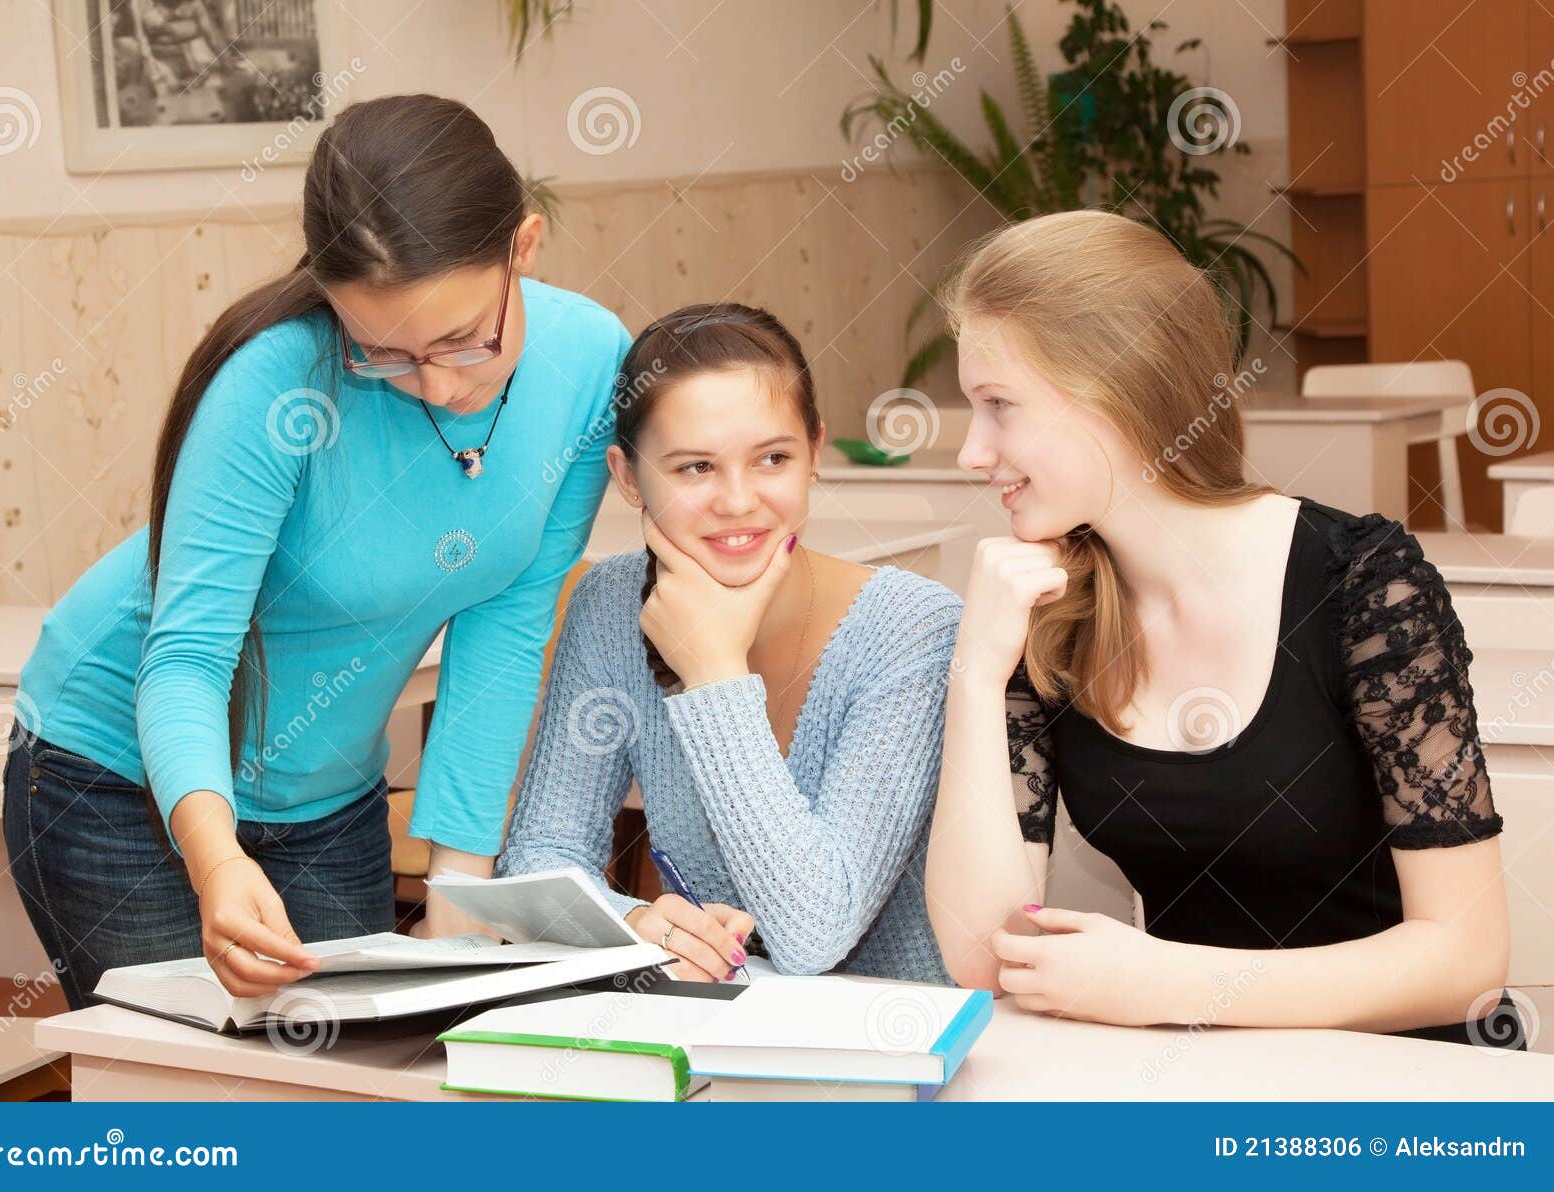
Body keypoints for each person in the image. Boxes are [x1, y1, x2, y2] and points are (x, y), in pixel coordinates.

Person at [3, 94, 629, 1009]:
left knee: (355, 1087)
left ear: (523, 248)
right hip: (115, 776)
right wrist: (215, 865)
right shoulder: (277, 380)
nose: (439, 385)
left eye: (463, 340)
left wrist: (458, 893)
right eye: (387, 354)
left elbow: (507, 630)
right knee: (198, 1104)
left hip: (329, 796)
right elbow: (184, 658)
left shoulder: (591, 365)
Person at [925, 209, 1523, 1048]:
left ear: (1117, 390)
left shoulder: (1362, 582)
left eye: (998, 405)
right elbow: (984, 956)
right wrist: (975, 676)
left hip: (1404, 1091)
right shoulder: (1053, 613)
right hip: (1204, 1081)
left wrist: (1177, 981)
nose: (972, 452)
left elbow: (1466, 960)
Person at [496, 304, 959, 983]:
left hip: (894, 1052)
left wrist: (712, 670)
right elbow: (541, 854)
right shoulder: (608, 608)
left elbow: (812, 934)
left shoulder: (913, 628)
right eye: (694, 468)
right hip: (708, 1038)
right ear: (627, 477)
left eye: (773, 458)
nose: (738, 501)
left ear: (815, 454)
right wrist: (627, 923)